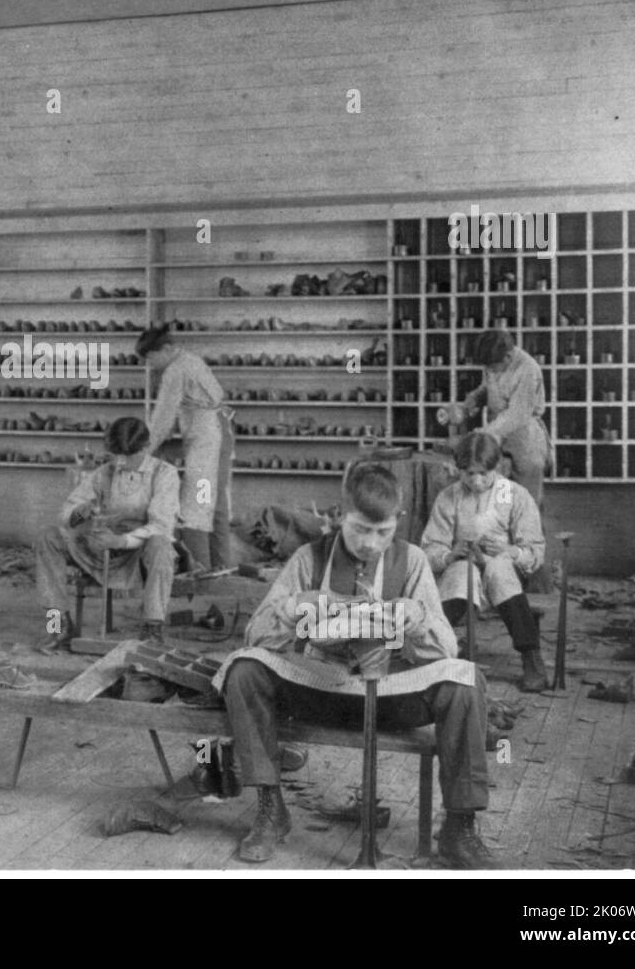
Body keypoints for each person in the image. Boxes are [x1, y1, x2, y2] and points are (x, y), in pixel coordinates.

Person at [215, 462, 494, 868]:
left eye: (383, 532)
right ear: (338, 515)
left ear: (397, 521)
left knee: (466, 681)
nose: (370, 543)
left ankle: (459, 828)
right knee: (244, 670)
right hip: (320, 690)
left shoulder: (412, 561)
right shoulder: (308, 558)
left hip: (389, 695)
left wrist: (413, 616)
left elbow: (446, 649)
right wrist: (298, 606)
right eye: (360, 529)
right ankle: (270, 809)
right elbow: (255, 635)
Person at [33, 417, 180, 651]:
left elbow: (161, 525)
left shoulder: (164, 473)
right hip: (99, 548)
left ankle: (152, 628)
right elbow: (66, 513)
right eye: (116, 455)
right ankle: (57, 626)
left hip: (136, 554)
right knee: (48, 537)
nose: (121, 462)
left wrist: (122, 541)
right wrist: (80, 512)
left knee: (161, 546)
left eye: (128, 456)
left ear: (145, 447)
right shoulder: (104, 472)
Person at [421, 431, 549, 692]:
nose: (477, 481)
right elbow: (431, 547)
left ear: (497, 467)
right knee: (460, 573)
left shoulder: (514, 494)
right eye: (469, 473)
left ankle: (531, 657)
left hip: (506, 571)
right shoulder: (449, 497)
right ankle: (433, 652)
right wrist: (449, 554)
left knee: (498, 570)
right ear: (459, 470)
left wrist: (510, 550)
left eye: (484, 473)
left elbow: (535, 550)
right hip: (464, 567)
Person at [136, 325, 235, 571]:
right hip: (217, 432)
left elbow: (162, 419)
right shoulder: (190, 360)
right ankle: (222, 568)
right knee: (216, 503)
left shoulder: (176, 369)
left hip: (208, 439)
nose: (150, 364)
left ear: (166, 349)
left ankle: (200, 569)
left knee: (198, 503)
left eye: (151, 357)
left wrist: (141, 452)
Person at [460, 329, 551, 507]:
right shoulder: (495, 362)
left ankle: (528, 533)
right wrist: (476, 397)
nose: (489, 370)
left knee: (526, 499)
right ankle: (504, 532)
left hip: (525, 437)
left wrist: (484, 432)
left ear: (508, 357)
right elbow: (489, 387)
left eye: (492, 366)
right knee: (501, 493)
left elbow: (517, 415)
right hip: (497, 433)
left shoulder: (528, 369)